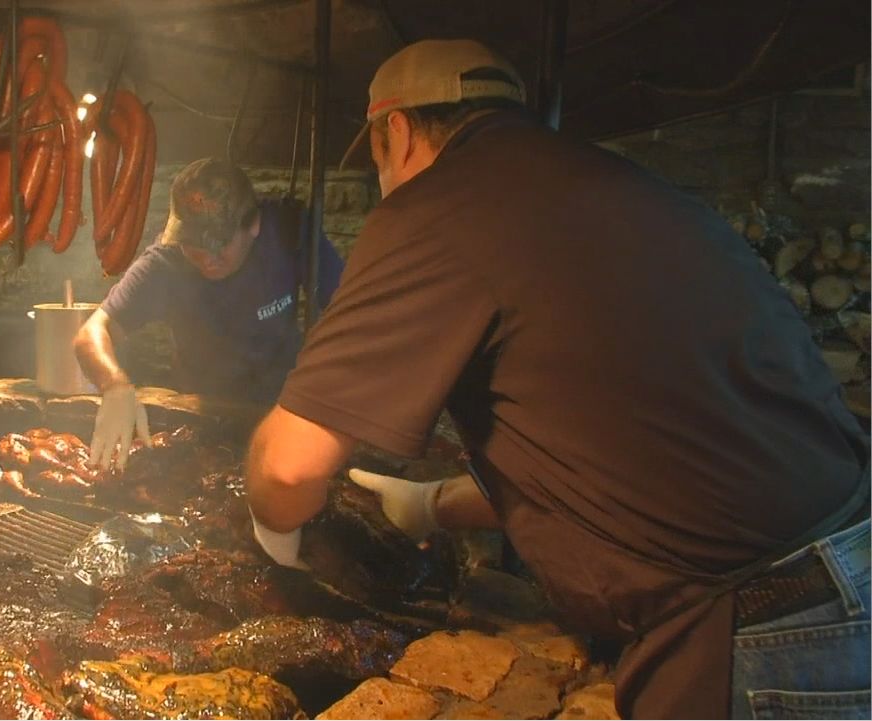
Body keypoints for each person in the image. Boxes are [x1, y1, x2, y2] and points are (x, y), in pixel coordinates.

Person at [244, 38, 870, 719]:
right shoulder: (624, 190)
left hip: (766, 635)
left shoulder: (438, 203)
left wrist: (272, 531)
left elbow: (288, 466)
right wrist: (429, 505)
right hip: (846, 580)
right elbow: (611, 456)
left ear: (393, 130)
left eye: (374, 155)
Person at [75, 158, 344, 469]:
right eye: (194, 244)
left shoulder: (289, 232)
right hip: (201, 421)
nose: (207, 258)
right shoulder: (166, 264)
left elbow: (349, 313)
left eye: (219, 244)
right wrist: (114, 385)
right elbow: (91, 333)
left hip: (281, 414)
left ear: (253, 225)